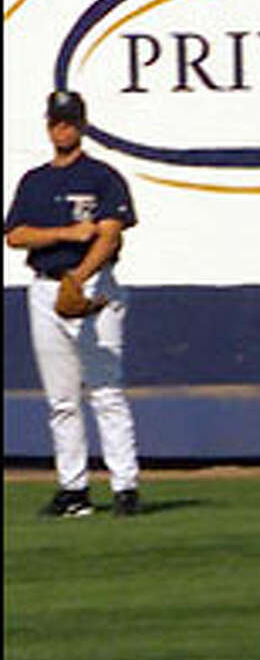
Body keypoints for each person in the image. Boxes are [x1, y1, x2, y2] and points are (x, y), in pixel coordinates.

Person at [4, 89, 142, 517]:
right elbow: (14, 235)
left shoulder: (102, 177)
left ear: (81, 125)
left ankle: (125, 486)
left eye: (69, 121)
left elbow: (110, 233)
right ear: (48, 126)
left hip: (93, 284)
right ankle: (74, 489)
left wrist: (78, 279)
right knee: (61, 399)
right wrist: (64, 235)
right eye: (56, 121)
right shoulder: (35, 181)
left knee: (105, 389)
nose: (62, 128)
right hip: (45, 286)